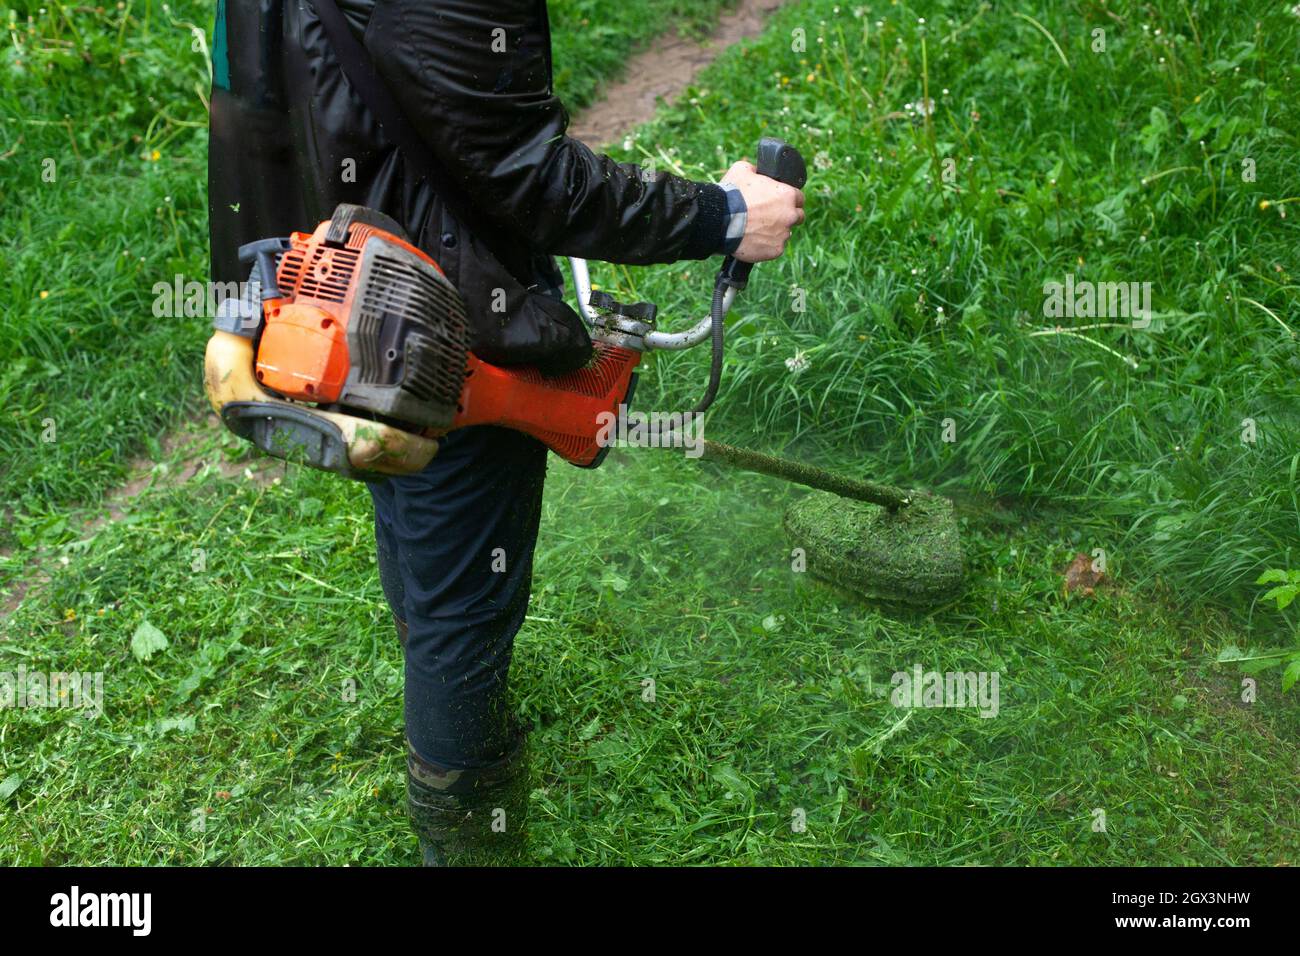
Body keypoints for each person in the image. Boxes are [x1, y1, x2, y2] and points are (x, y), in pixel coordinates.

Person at [207, 0, 804, 865]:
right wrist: (722, 217)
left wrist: (267, 272)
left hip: (326, 281)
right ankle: (468, 827)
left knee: (415, 507)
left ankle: (436, 676)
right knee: (464, 604)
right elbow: (527, 175)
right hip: (432, 316)